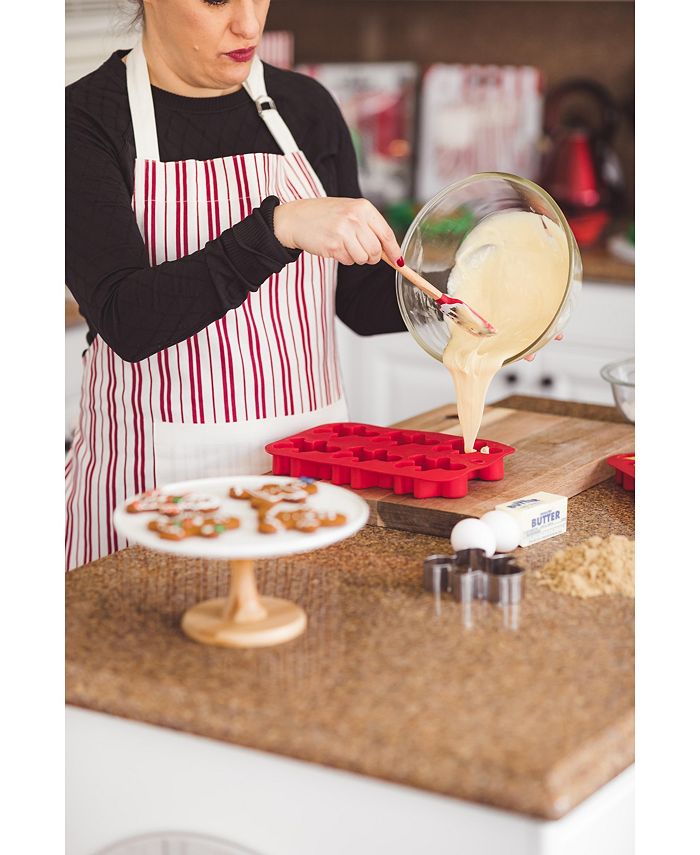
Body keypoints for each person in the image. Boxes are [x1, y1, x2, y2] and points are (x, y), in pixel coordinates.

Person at [65, 0, 408, 571]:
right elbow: (126, 318)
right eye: (216, 0)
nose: (249, 24)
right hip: (152, 488)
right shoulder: (83, 119)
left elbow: (360, 301)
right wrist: (278, 229)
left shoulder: (305, 107)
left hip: (307, 479)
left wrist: (471, 295)